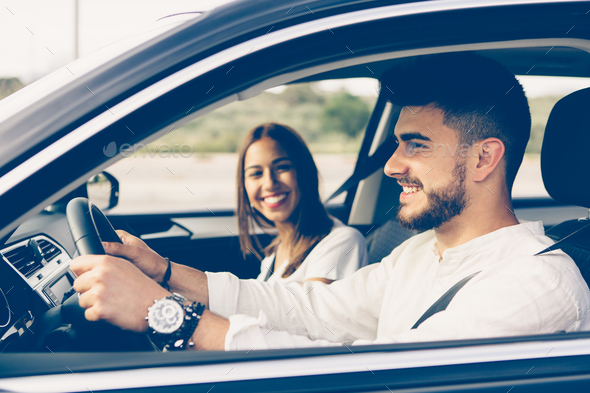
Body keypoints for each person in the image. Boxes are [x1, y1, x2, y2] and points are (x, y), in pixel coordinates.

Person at [71, 52, 590, 351]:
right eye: (396, 143)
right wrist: (163, 272)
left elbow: (379, 381)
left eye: (416, 145)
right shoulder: (418, 254)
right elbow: (312, 309)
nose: (391, 166)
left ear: (483, 160)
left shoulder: (534, 285)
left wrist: (170, 316)